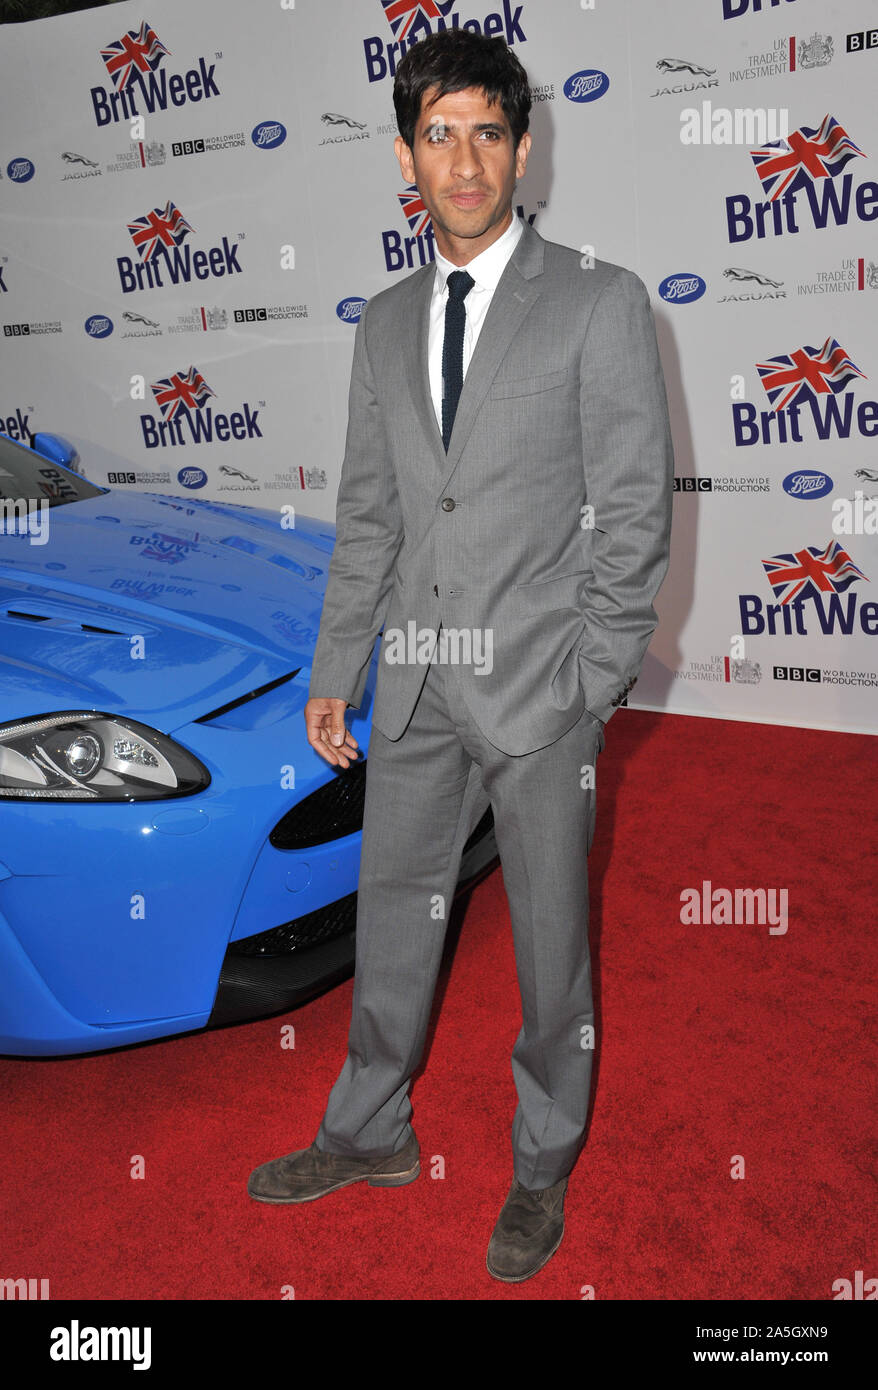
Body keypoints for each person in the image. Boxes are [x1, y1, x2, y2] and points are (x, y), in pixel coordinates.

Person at [248, 27, 673, 1284]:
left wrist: (586, 688)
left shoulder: (598, 303)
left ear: (522, 148)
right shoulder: (380, 324)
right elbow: (373, 511)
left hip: (539, 695)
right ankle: (367, 1126)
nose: (465, 158)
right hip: (417, 682)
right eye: (439, 133)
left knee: (551, 947)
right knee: (392, 916)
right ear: (404, 156)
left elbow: (634, 515)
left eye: (488, 130)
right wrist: (339, 667)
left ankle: (540, 1163)